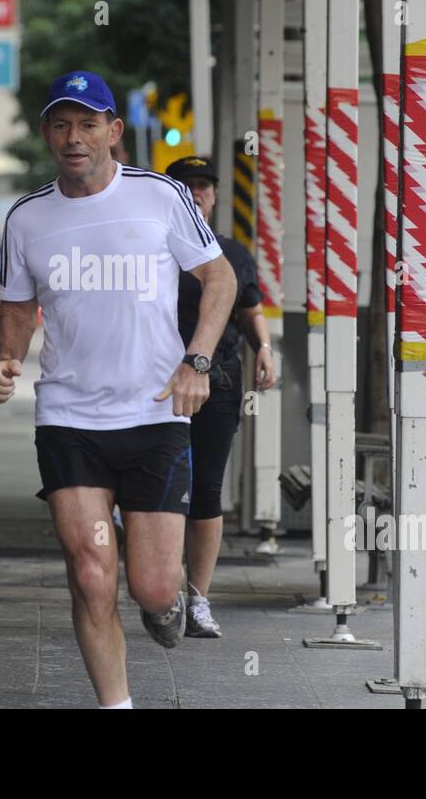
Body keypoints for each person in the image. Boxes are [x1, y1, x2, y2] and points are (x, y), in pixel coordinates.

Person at [0, 71, 237, 709]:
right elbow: (17, 306)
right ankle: (116, 704)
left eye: (88, 123)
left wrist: (197, 362)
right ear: (47, 133)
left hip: (154, 416)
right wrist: (6, 359)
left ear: (113, 132)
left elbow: (220, 279)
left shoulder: (160, 197)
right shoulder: (27, 217)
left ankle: (165, 600)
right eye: (62, 125)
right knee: (92, 573)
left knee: (152, 587)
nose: (75, 137)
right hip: (70, 421)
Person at [164, 156, 278, 638]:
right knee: (162, 490)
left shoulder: (232, 253)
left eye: (204, 187)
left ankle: (198, 600)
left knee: (206, 490)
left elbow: (251, 310)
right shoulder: (152, 250)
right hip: (156, 387)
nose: (196, 194)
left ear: (213, 196)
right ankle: (162, 591)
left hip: (219, 384)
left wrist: (265, 350)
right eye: (185, 186)